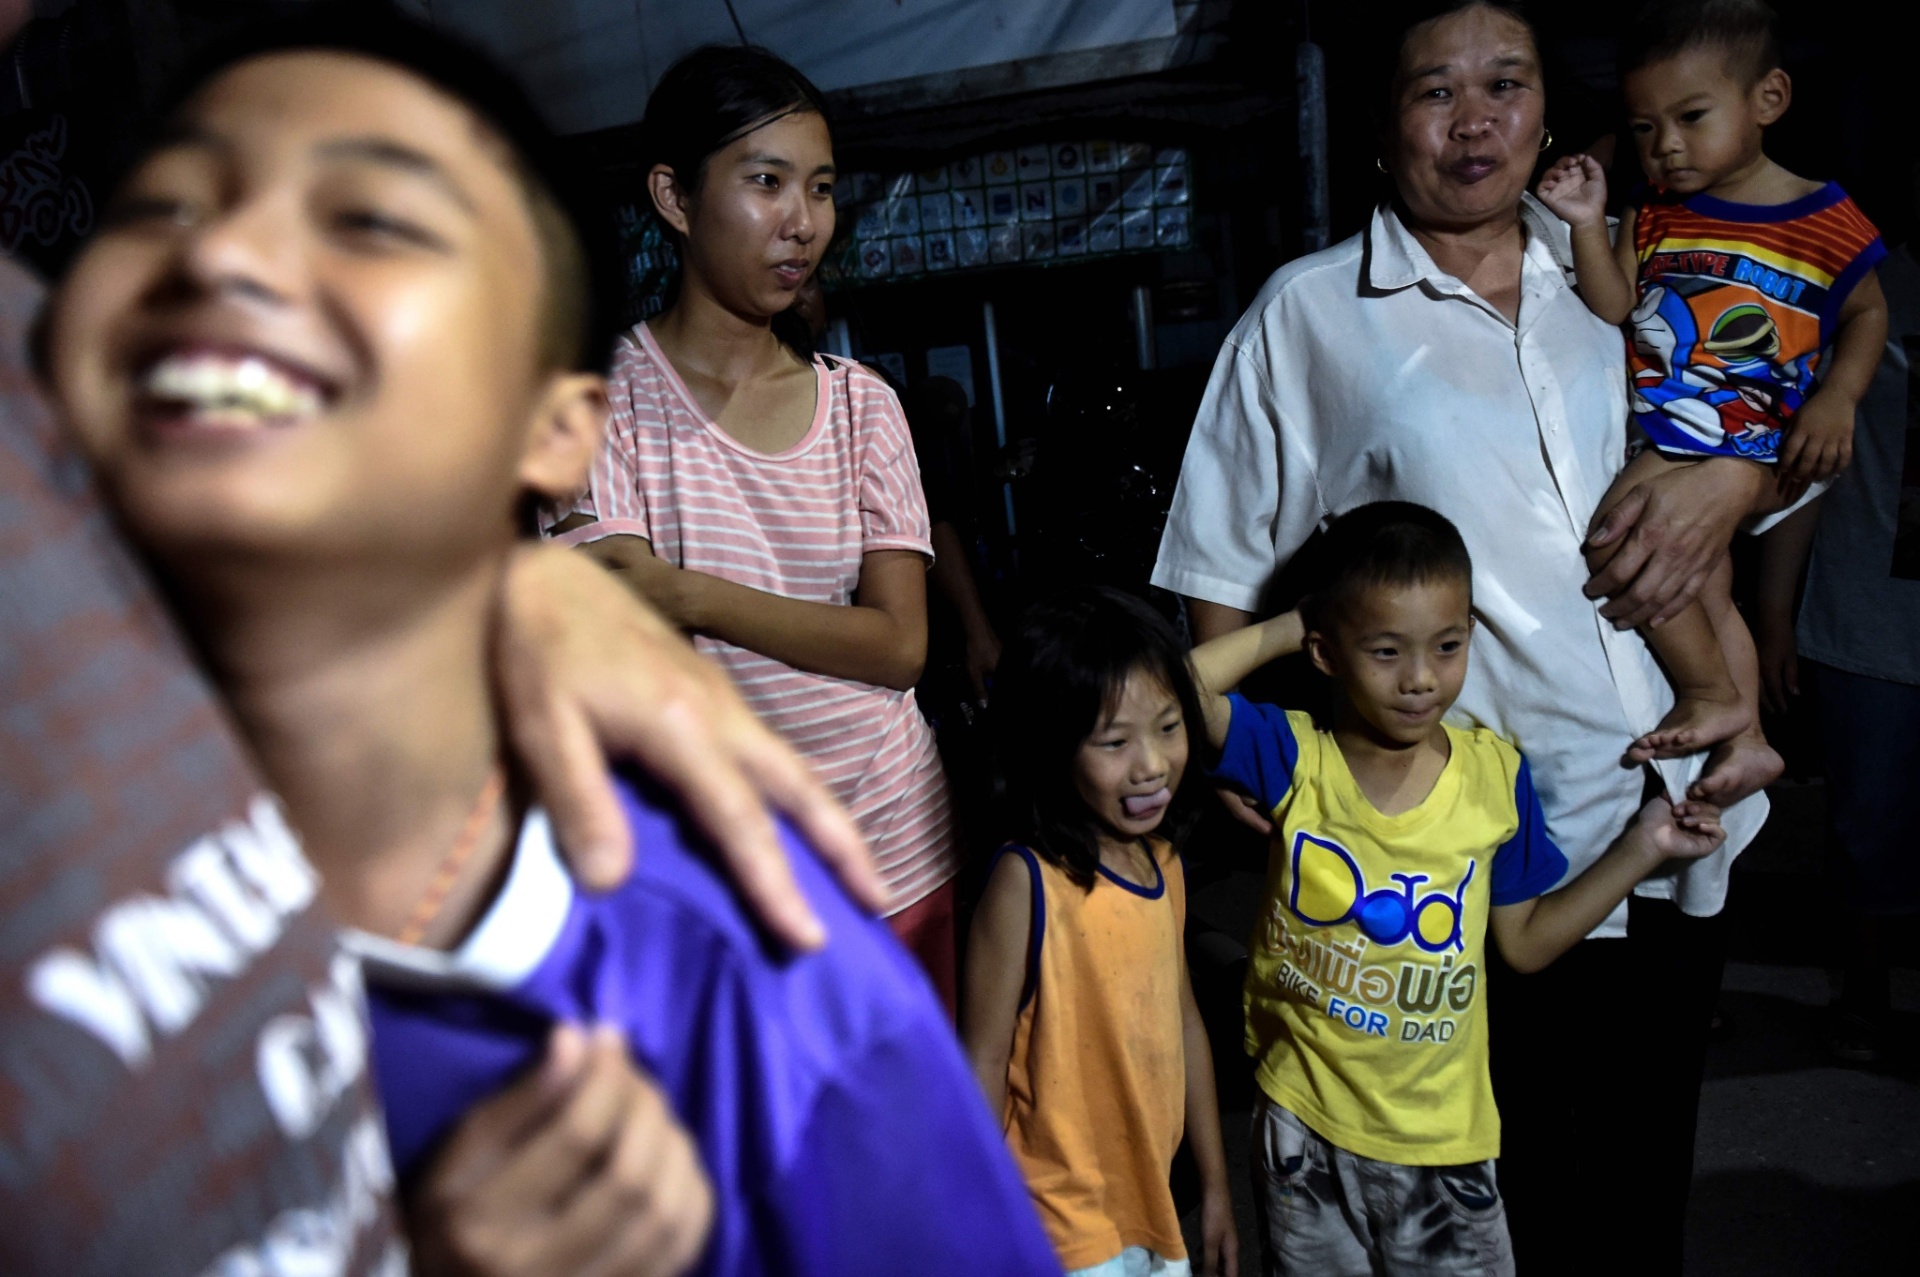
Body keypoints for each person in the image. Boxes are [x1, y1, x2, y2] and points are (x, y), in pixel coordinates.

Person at [38, 15, 1058, 1277]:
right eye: (173, 206)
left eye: (367, 224)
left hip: (876, 841)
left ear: (542, 428)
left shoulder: (714, 972)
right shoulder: (110, 852)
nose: (232, 264)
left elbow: (890, 641)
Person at [1148, 4, 1779, 1269]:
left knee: (1645, 1180)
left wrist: (1739, 483)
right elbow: (1220, 561)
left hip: (1682, 804)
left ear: (1549, 112)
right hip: (1481, 855)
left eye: (1507, 84)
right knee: (1516, 1199)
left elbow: (1754, 427)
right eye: (1437, 91)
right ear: (1384, 130)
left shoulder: (1629, 262)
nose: (1476, 120)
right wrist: (1239, 768)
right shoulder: (1311, 315)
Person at [1184, 502, 1724, 1276]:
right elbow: (1167, 690)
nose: (1421, 678)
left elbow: (1525, 944)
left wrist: (1645, 847)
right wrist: (1289, 625)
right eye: (1385, 650)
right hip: (1301, 1123)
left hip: (1440, 1143)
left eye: (1447, 645)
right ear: (1327, 652)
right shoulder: (1293, 756)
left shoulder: (1494, 779)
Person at [549, 45, 963, 1008]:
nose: (803, 222)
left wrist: (688, 591)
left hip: (895, 847)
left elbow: (899, 646)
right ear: (675, 196)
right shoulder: (603, 403)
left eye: (821, 188)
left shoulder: (862, 406)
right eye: (766, 181)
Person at [1534, 0, 1888, 767]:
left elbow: (1868, 313)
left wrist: (1838, 398)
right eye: (1643, 127)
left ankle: (1709, 693)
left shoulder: (1823, 215)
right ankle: (1750, 738)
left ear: (1769, 98)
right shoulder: (1652, 211)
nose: (1664, 145)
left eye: (1691, 117)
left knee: (1617, 532)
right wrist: (1589, 224)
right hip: (1668, 424)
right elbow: (1614, 304)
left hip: (1742, 426)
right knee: (1708, 583)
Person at [964, 588, 1235, 1277]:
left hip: (1151, 1207)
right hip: (1053, 1222)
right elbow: (983, 1061)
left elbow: (1185, 1022)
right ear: (1050, 748)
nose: (1152, 764)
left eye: (1169, 727)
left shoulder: (1164, 864)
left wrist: (1216, 1185)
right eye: (1115, 742)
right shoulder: (1026, 883)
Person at [1754, 218, 1920, 1065]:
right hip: (1870, 611)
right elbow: (1811, 465)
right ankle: (1864, 996)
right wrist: (1775, 612)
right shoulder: (1877, 285)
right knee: (1869, 820)